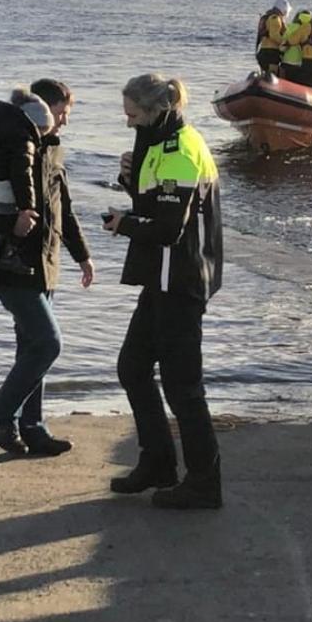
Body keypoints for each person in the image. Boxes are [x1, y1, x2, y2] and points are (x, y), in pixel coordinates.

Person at [0, 75, 94, 457]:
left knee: (30, 346)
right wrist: (7, 225)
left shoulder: (53, 148)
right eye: (64, 113)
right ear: (46, 110)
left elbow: (62, 206)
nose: (66, 121)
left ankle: (32, 428)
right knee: (48, 343)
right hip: (9, 262)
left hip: (45, 262)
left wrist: (81, 254)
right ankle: (0, 415)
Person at [103, 72, 223, 511]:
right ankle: (157, 461)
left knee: (183, 386)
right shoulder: (158, 142)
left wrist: (124, 225)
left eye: (133, 116)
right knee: (133, 368)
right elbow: (153, 203)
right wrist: (129, 180)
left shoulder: (180, 149)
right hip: (161, 280)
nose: (129, 124)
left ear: (156, 111)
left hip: (182, 281)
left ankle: (205, 481)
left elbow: (170, 228)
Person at [0, 88, 54, 283]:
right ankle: (9, 257)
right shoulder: (24, 139)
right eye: (41, 132)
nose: (39, 139)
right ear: (34, 124)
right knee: (18, 221)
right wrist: (26, 208)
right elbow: (22, 174)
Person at [255, 0, 291, 75]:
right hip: (271, 53)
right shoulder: (275, 19)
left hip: (263, 51)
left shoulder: (269, 17)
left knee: (265, 75)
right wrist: (286, 43)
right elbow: (274, 35)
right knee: (272, 75)